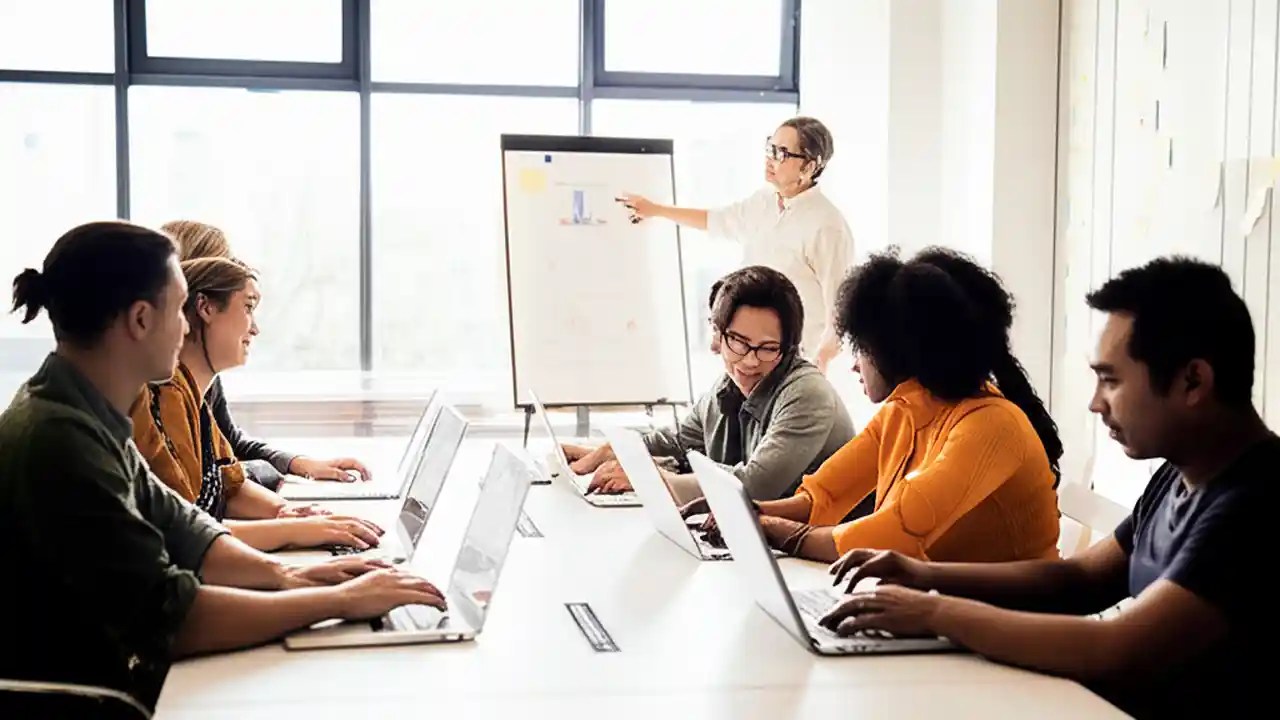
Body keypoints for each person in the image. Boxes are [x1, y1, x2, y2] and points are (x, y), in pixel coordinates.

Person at [0, 222, 444, 712]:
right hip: (103, 696)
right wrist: (339, 602)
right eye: (180, 309)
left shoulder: (83, 409)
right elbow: (176, 618)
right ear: (142, 320)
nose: (188, 327)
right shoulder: (60, 438)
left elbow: (186, 529)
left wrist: (291, 576)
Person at [819, 257, 1274, 719]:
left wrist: (934, 613)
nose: (1096, 404)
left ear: (1192, 381)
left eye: (1111, 380)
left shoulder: (1259, 502)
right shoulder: (1181, 474)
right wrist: (926, 577)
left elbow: (1119, 645)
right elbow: (1078, 580)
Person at [693, 248, 1062, 563]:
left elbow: (893, 533)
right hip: (939, 611)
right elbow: (824, 494)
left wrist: (768, 528)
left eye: (861, 349)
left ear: (897, 350)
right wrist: (744, 508)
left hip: (1007, 627)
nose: (854, 363)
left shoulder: (990, 425)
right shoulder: (902, 411)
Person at [129, 256, 383, 552]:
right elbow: (187, 531)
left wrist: (287, 513)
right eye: (248, 307)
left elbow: (231, 484)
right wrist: (294, 531)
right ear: (205, 308)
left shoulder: (191, 395)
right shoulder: (164, 395)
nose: (255, 329)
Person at [565, 265, 853, 505]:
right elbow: (678, 443)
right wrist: (608, 450)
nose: (750, 361)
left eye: (767, 348)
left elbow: (754, 485)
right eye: (738, 342)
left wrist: (652, 479)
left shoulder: (806, 394)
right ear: (718, 337)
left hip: (823, 563)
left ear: (789, 348)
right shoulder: (727, 388)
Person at [617, 117, 853, 373]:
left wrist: (821, 363)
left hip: (795, 361)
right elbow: (715, 220)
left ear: (809, 166)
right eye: (769, 148)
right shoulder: (763, 202)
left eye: (781, 153)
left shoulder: (827, 225)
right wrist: (656, 210)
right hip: (747, 352)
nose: (769, 158)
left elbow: (840, 307)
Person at [160, 219, 371, 490]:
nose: (231, 274)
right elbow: (203, 481)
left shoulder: (201, 369)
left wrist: (299, 464)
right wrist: (269, 476)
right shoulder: (162, 379)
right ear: (201, 299)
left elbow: (229, 445)